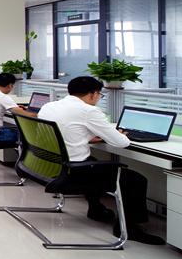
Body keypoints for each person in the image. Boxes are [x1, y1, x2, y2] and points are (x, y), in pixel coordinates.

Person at [38, 76, 163, 245]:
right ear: (93, 94)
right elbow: (122, 143)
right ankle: (128, 228)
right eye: (100, 95)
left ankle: (95, 209)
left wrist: (88, 136)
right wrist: (119, 134)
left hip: (50, 164)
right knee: (135, 180)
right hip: (72, 171)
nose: (98, 99)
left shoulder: (49, 106)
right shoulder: (88, 111)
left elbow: (66, 131)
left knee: (93, 161)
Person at [0, 73, 36, 142]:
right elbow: (26, 114)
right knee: (26, 135)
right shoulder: (2, 97)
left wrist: (14, 107)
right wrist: (37, 114)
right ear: (10, 85)